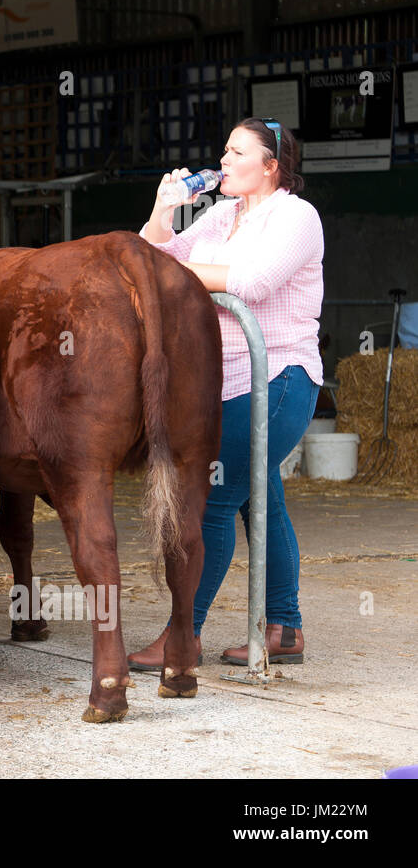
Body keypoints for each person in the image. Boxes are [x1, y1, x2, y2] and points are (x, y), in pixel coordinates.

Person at [128, 117, 324, 669]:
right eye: (225, 150)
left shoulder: (295, 216)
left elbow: (253, 281)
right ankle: (284, 627)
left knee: (213, 504)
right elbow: (154, 260)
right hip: (226, 379)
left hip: (278, 377)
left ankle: (181, 638)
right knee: (263, 500)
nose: (224, 160)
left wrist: (177, 272)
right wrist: (162, 213)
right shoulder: (222, 214)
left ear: (271, 166)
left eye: (237, 152)